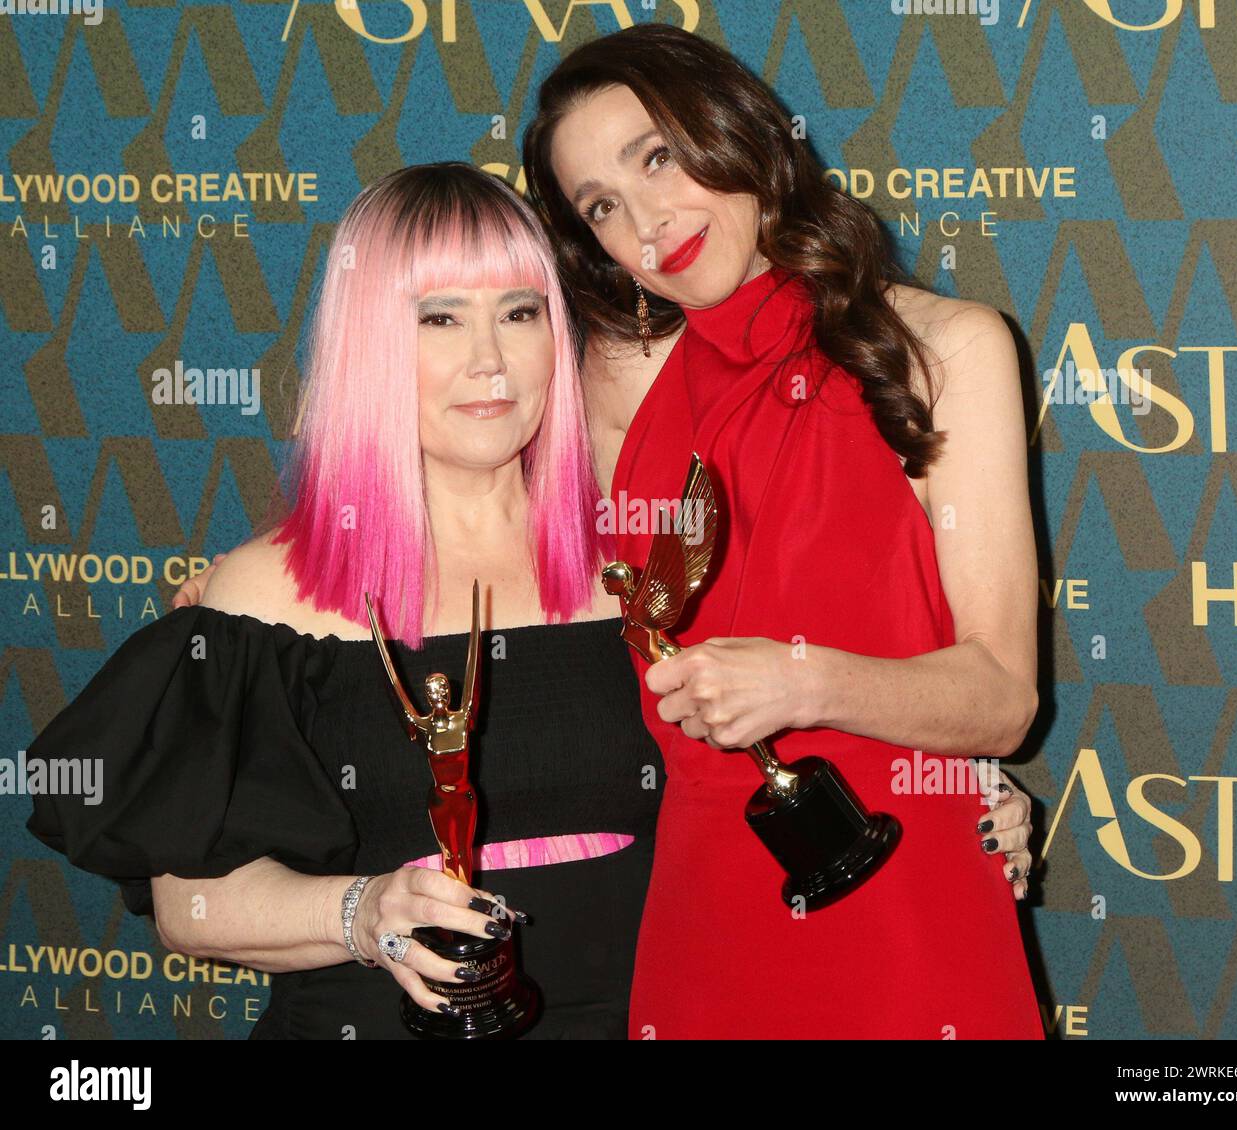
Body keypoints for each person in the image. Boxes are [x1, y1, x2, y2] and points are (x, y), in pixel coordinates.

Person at [26, 163, 664, 1039]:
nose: (490, 360)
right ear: (369, 344)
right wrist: (364, 912)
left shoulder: (637, 567)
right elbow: (190, 909)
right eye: (438, 318)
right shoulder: (265, 592)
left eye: (521, 313)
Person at [517, 24, 1045, 1038]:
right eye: (602, 207)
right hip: (705, 912)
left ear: (736, 130)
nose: (648, 222)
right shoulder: (615, 388)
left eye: (657, 157)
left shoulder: (939, 349)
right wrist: (254, 592)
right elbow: (441, 481)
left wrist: (805, 681)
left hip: (905, 897)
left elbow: (1002, 697)